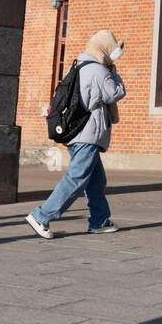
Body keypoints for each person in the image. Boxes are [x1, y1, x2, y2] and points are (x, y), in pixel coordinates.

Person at [26, 29, 126, 239]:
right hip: (87, 135)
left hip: (79, 133)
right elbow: (116, 93)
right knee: (77, 178)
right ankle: (42, 216)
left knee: (96, 180)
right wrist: (114, 72)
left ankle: (99, 220)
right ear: (103, 49)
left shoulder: (80, 64)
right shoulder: (97, 70)